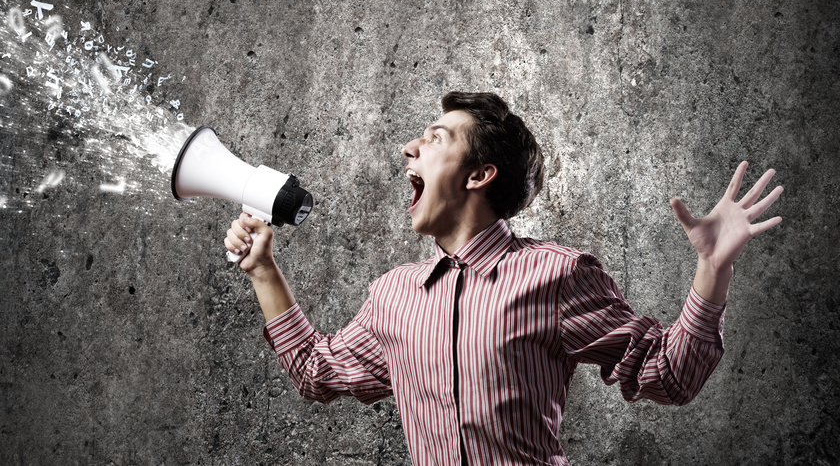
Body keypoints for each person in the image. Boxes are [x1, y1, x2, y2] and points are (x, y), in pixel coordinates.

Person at [224, 91, 783, 466]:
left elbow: (669, 377)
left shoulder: (557, 275)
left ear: (480, 175)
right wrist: (264, 271)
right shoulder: (392, 295)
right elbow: (316, 375)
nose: (409, 148)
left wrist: (713, 268)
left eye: (436, 138)